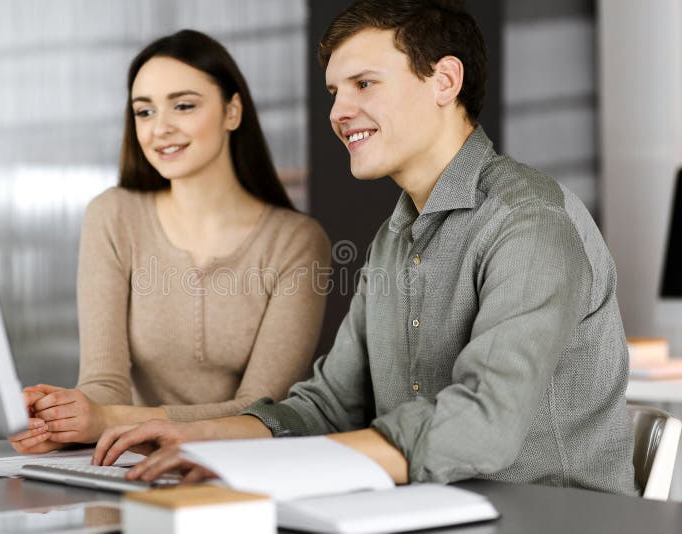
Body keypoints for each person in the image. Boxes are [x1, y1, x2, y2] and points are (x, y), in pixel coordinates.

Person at [91, 0, 637, 496]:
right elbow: (329, 405)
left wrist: (275, 466)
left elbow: (481, 423)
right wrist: (198, 437)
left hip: (554, 518)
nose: (339, 111)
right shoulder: (394, 239)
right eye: (335, 92)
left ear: (444, 80)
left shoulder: (527, 221)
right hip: (431, 508)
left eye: (364, 84)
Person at [9, 29, 331, 454]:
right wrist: (61, 421)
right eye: (144, 112)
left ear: (232, 112)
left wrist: (108, 420)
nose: (160, 128)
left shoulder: (296, 242)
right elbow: (104, 382)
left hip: (244, 467)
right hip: (135, 464)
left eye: (183, 105)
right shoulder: (113, 215)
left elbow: (262, 412)